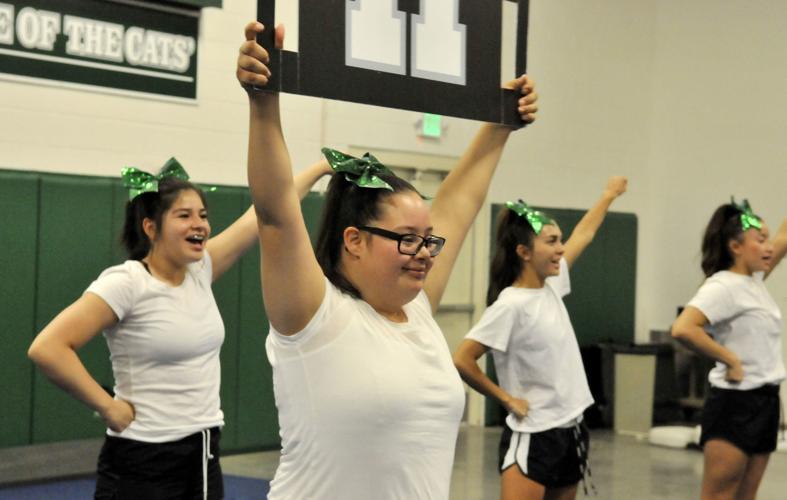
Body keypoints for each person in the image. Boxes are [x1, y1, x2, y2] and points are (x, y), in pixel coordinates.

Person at [235, 18, 538, 499]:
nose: (424, 254)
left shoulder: (417, 310)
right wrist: (263, 101)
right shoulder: (315, 316)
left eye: (428, 240)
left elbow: (460, 203)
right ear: (354, 240)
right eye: (407, 239)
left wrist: (501, 121)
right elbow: (275, 214)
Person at [27, 158, 331, 499]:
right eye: (184, 216)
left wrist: (319, 168)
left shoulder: (199, 271)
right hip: (143, 456)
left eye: (202, 215)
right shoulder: (127, 283)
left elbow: (263, 213)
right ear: (151, 227)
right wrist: (108, 406)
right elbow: (48, 348)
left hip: (201, 448)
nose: (199, 224)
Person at [453, 177, 628, 500]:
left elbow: (584, 235)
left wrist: (608, 195)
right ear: (523, 252)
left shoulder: (552, 286)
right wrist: (506, 399)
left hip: (572, 427)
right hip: (534, 433)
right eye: (551, 241)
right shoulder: (511, 305)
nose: (561, 249)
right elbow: (463, 358)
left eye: (559, 240)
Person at [671, 199, 787, 500]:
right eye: (760, 240)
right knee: (719, 496)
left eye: (768, 239)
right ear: (735, 247)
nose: (769, 246)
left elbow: (785, 236)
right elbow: (683, 328)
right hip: (735, 404)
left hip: (766, 400)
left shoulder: (754, 280)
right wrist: (729, 358)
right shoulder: (723, 286)